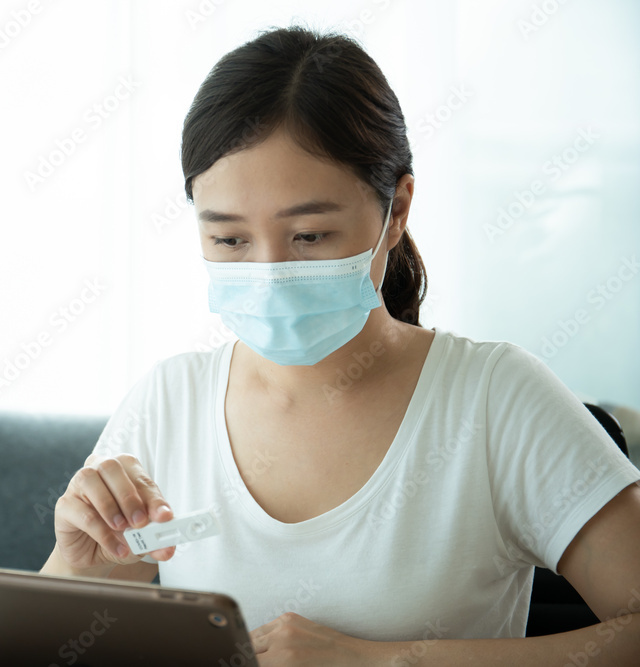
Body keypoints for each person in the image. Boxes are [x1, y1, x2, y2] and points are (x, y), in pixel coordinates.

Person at [40, 25, 640, 665]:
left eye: (310, 236)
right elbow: (47, 650)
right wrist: (76, 570)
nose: (270, 274)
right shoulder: (169, 402)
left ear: (397, 209)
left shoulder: (495, 399)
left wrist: (382, 661)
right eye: (230, 241)